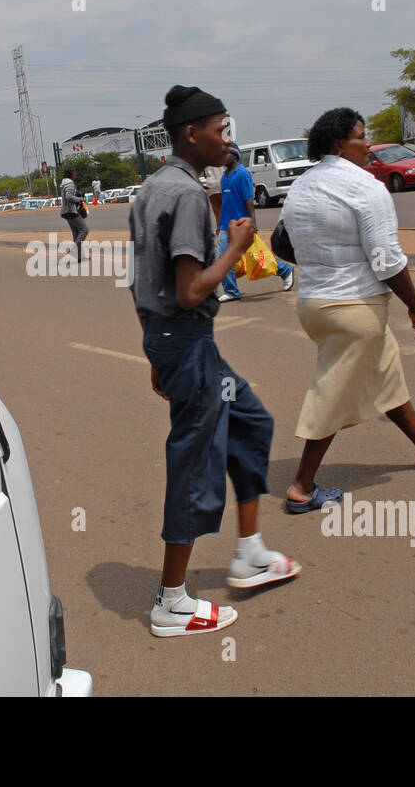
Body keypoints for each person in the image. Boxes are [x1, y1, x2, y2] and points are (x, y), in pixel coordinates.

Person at [129, 84, 299, 639]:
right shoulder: (182, 195)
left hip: (177, 341)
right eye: (221, 130)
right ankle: (171, 601)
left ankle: (249, 551)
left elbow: (140, 281)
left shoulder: (153, 188)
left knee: (251, 423)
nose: (228, 140)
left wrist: (152, 348)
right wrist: (237, 243)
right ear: (191, 133)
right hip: (186, 338)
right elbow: (188, 290)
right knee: (196, 462)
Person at [279, 108, 415, 514]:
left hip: (314, 303)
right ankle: (301, 486)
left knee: (385, 370)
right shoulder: (365, 186)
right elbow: (386, 260)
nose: (368, 144)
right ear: (339, 144)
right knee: (334, 390)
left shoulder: (301, 186)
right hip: (353, 306)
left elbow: (282, 243)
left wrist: (321, 261)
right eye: (361, 137)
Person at [216, 144, 294, 302]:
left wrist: (253, 222)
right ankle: (231, 291)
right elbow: (226, 202)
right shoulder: (224, 177)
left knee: (259, 257)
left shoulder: (243, 174)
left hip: (243, 225)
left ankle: (286, 270)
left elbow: (249, 200)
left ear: (235, 155)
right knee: (223, 258)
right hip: (226, 225)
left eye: (226, 153)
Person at [59, 167, 89, 260]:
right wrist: (79, 199)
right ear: (71, 174)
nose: (75, 174)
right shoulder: (70, 183)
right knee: (84, 230)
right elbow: (68, 196)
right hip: (71, 211)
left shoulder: (64, 183)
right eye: (74, 172)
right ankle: (72, 249)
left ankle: (79, 257)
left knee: (76, 234)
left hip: (66, 212)